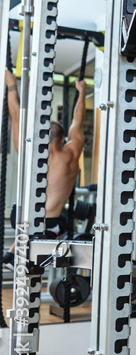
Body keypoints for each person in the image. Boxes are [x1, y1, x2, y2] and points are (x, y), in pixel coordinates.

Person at [3, 71, 87, 250]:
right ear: (63, 139)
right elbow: (77, 122)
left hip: (19, 217)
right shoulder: (70, 155)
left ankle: (13, 253)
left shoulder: (28, 153)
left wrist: (11, 85)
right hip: (48, 224)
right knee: (60, 223)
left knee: (26, 250)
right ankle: (15, 253)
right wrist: (81, 91)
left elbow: (16, 117)